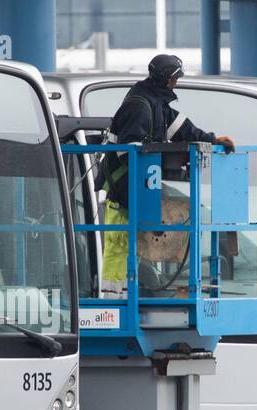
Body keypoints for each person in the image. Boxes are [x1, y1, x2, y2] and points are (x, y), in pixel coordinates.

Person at [100, 54, 235, 297]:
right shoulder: (139, 105)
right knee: (118, 242)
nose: (177, 83)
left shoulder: (156, 103)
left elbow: (182, 129)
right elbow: (128, 150)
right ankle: (111, 298)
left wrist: (212, 140)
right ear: (165, 79)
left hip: (137, 183)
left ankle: (122, 295)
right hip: (122, 184)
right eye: (175, 78)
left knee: (127, 242)